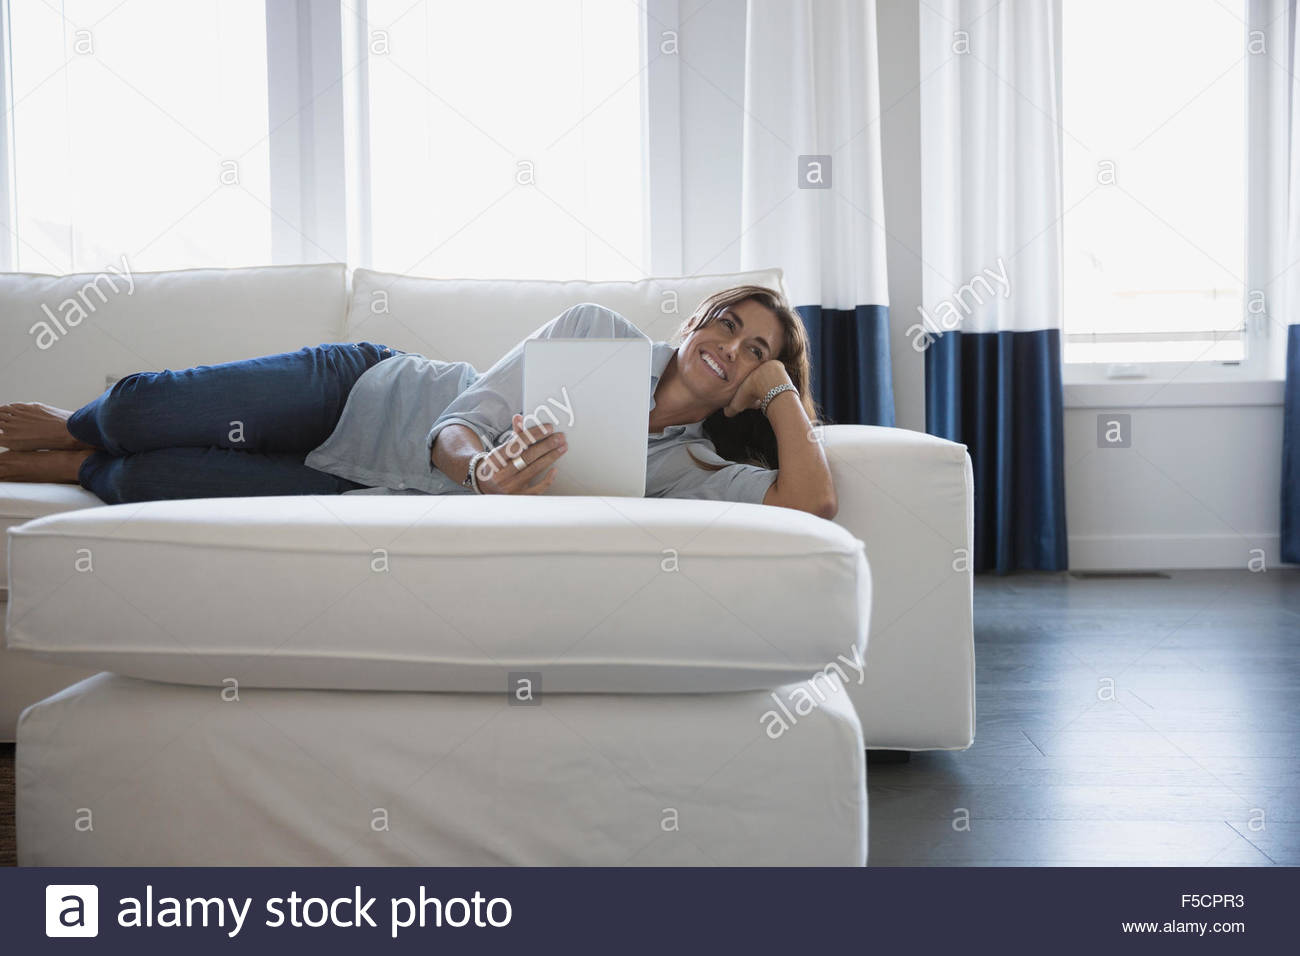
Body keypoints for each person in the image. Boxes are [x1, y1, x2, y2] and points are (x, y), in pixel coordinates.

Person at [0, 285, 838, 517]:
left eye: (754, 353)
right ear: (695, 324)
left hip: (374, 490)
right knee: (141, 413)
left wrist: (782, 399)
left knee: (151, 486)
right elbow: (460, 424)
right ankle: (75, 424)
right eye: (725, 325)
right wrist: (482, 474)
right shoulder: (601, 336)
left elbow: (812, 499)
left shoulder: (691, 468)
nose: (729, 348)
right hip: (362, 395)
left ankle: (75, 459)